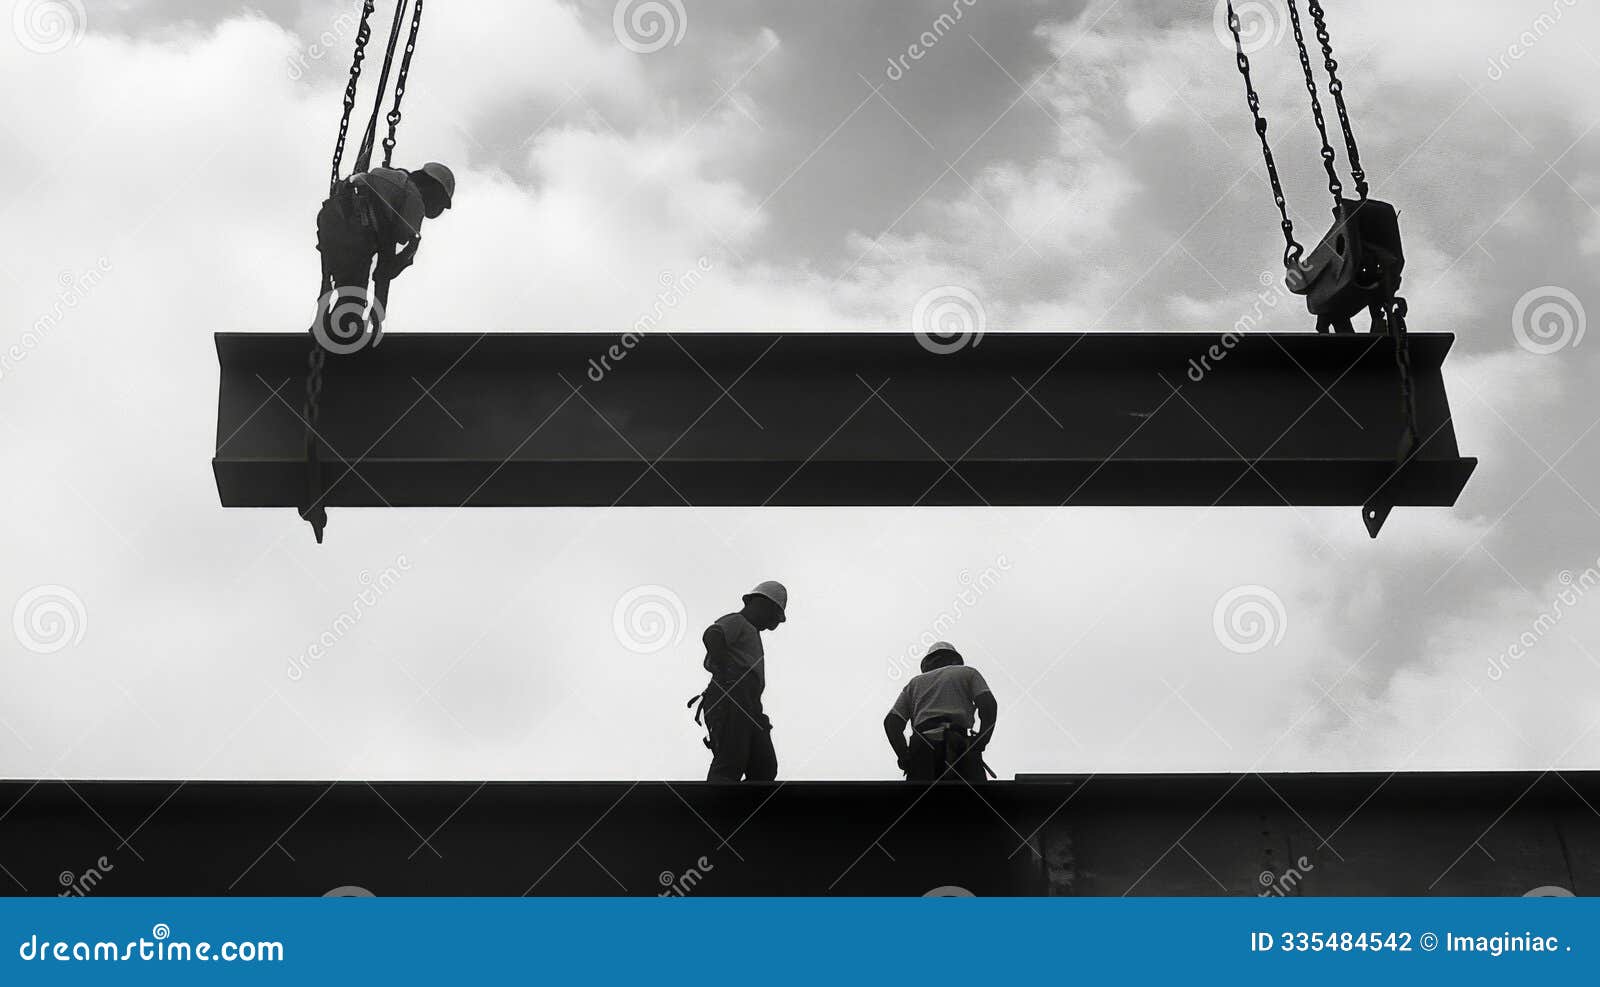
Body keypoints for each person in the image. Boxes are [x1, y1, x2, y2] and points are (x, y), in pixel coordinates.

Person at [313, 162, 455, 347]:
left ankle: (325, 329)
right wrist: (409, 253)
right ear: (432, 188)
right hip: (355, 230)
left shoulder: (389, 178)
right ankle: (342, 341)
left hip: (333, 216)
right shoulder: (413, 196)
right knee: (353, 297)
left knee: (340, 281)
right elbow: (388, 260)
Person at [693, 581, 787, 782]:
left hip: (749, 702)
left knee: (765, 766)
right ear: (760, 604)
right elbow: (713, 634)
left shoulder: (751, 632)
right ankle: (718, 803)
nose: (772, 623)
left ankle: (746, 807)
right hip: (731, 696)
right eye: (772, 615)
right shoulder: (738, 621)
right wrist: (726, 668)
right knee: (731, 759)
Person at [883, 642, 997, 783]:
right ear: (954, 659)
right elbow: (988, 705)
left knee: (919, 800)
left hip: (923, 749)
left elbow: (892, 722)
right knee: (973, 800)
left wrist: (904, 756)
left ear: (928, 663)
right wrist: (981, 740)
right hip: (959, 747)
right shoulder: (967, 673)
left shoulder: (915, 683)